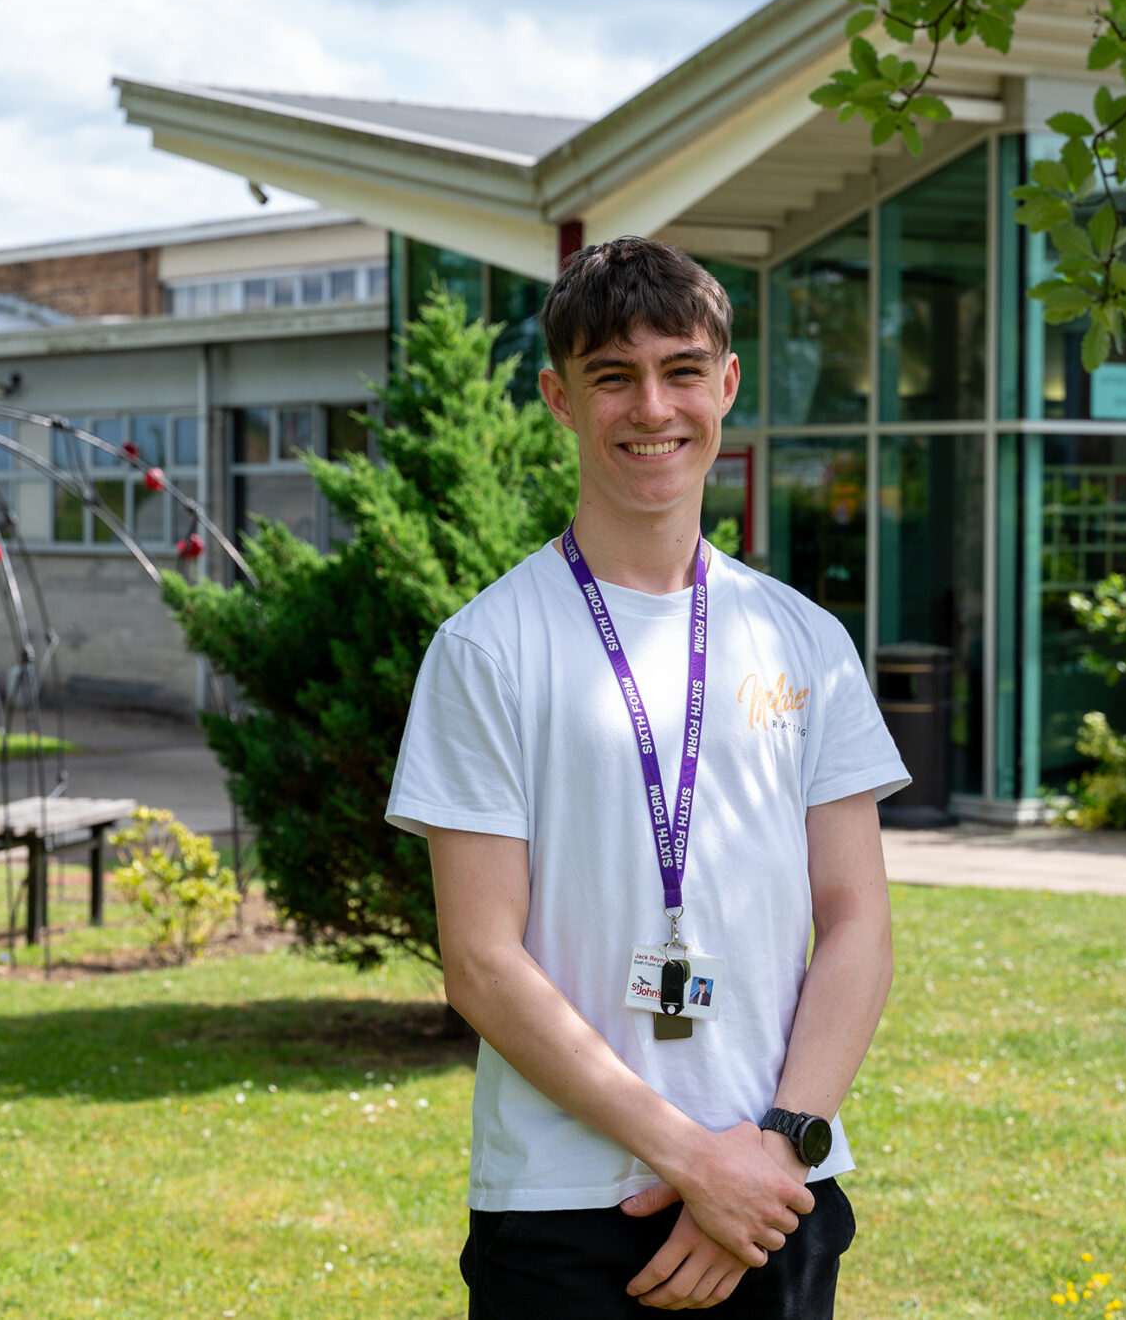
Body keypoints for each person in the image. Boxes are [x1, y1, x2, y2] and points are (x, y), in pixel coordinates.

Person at [386, 237, 908, 1317]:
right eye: (613, 376)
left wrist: (775, 1147)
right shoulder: (487, 647)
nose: (652, 407)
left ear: (727, 384)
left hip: (779, 1188)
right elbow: (478, 962)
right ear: (559, 398)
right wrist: (690, 1159)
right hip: (566, 1207)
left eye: (681, 370)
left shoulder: (804, 639)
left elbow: (857, 918)